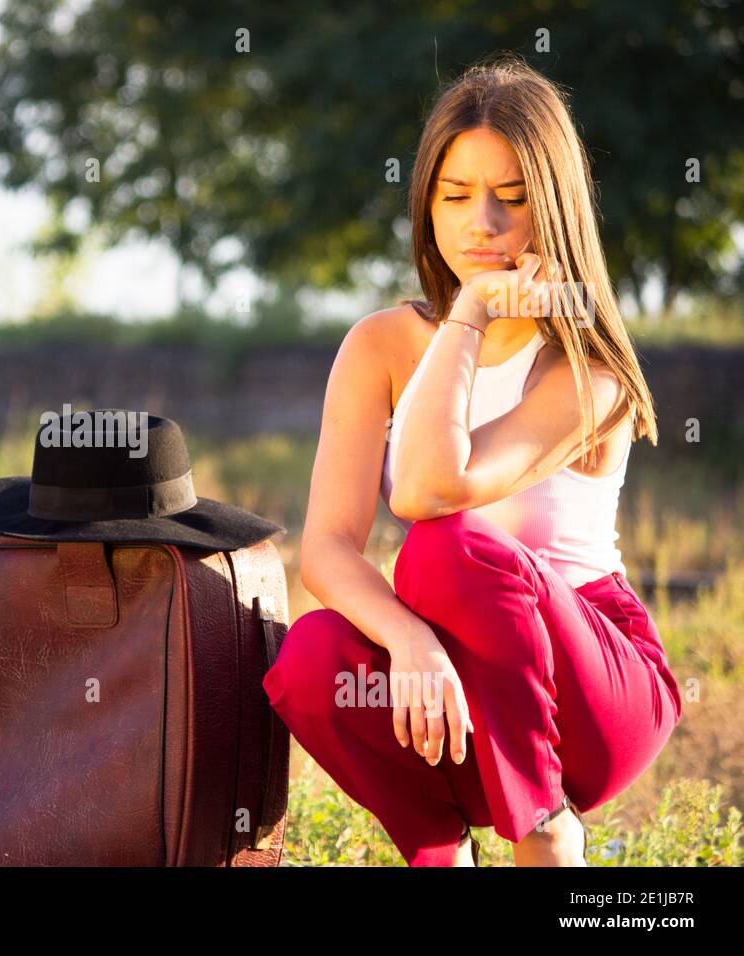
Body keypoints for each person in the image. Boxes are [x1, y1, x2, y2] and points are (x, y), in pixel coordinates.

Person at [262, 55, 683, 867]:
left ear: (552, 208)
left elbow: (428, 489)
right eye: (454, 196)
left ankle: (546, 829)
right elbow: (326, 549)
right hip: (456, 689)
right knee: (312, 659)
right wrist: (410, 642)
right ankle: (438, 850)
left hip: (590, 693)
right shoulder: (379, 345)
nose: (479, 225)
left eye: (512, 199)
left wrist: (471, 316)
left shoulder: (589, 370)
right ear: (426, 202)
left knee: (443, 546)